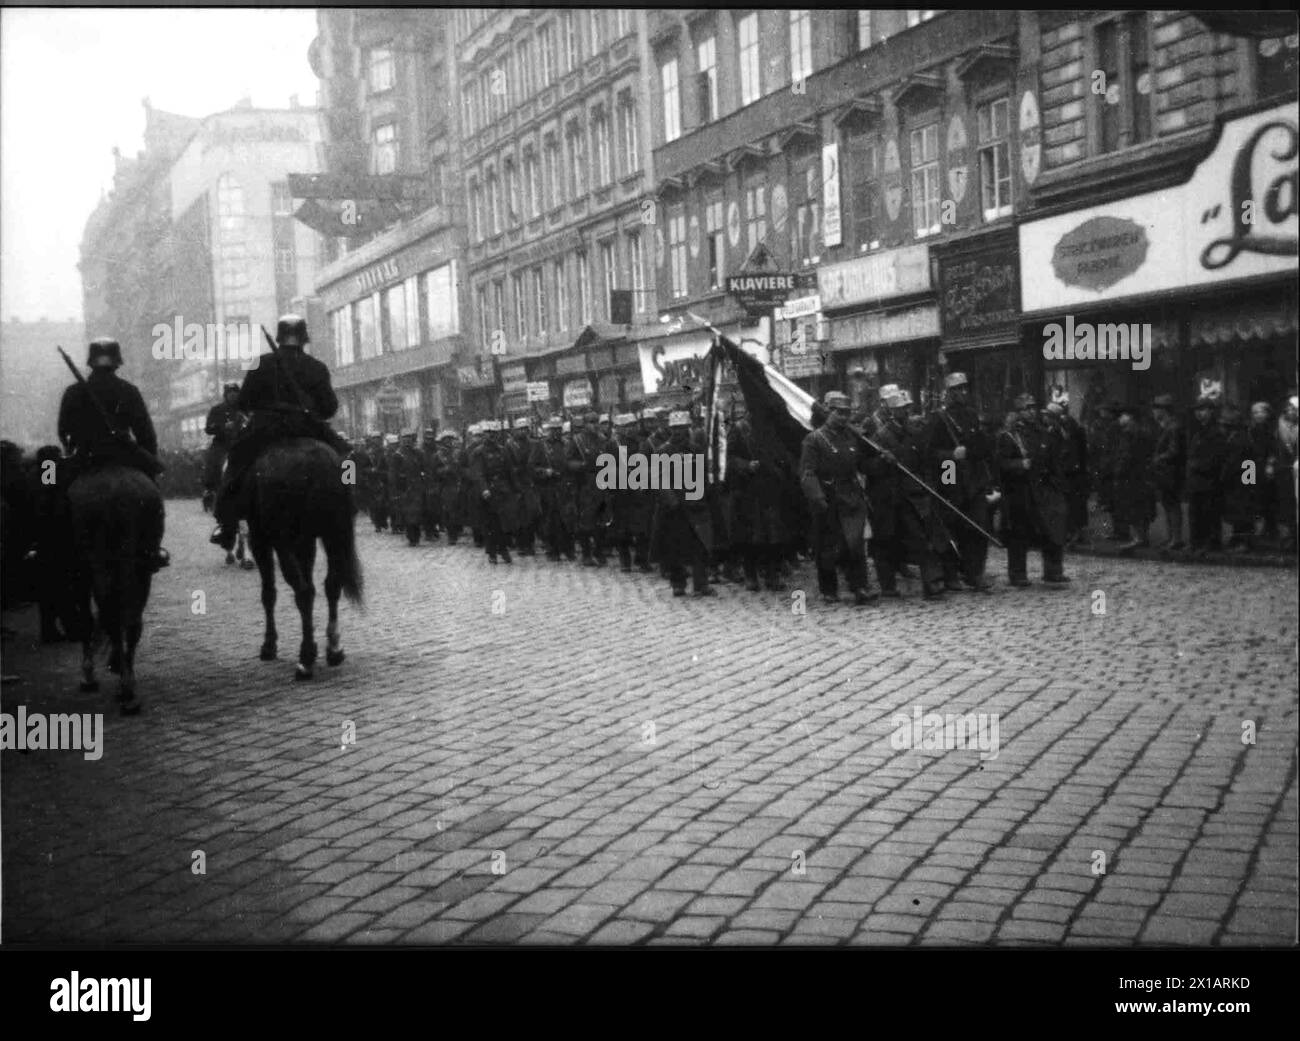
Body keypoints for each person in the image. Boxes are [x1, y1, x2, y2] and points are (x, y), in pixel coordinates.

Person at [210, 315, 348, 549]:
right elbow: (330, 407)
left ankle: (226, 521)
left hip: (267, 428)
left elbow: (244, 401)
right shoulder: (316, 367)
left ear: (279, 337)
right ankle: (347, 498)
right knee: (346, 456)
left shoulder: (260, 363)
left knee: (235, 461)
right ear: (304, 338)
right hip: (308, 427)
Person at [57, 337, 169, 571]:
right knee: (153, 500)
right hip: (125, 457)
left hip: (86, 459)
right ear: (117, 362)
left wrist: (72, 446)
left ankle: (50, 548)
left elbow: (63, 431)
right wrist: (148, 465)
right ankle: (152, 550)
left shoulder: (74, 392)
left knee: (50, 488)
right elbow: (146, 435)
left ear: (90, 362)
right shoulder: (129, 391)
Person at [799, 390, 881, 605]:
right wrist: (817, 497)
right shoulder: (815, 439)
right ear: (829, 412)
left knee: (855, 544)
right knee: (827, 546)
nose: (844, 417)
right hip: (828, 497)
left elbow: (862, 464)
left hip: (852, 496)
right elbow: (807, 473)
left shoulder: (852, 437)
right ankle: (829, 589)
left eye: (847, 413)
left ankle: (860, 587)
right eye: (839, 413)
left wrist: (882, 461)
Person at [872, 389, 949, 599]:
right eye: (901, 409)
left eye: (907, 408)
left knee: (923, 539)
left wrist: (931, 485)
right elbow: (867, 467)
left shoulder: (916, 434)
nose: (906, 412)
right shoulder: (880, 436)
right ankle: (888, 586)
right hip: (888, 497)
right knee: (886, 541)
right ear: (891, 411)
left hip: (912, 495)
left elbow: (926, 462)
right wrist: (882, 460)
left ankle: (933, 585)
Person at [927, 371, 995, 592]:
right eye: (957, 389)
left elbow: (982, 448)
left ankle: (975, 573)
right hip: (950, 473)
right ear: (948, 393)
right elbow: (930, 452)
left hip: (973, 477)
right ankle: (950, 574)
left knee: (979, 526)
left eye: (965, 388)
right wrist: (950, 455)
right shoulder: (939, 418)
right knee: (950, 525)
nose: (962, 393)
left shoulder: (973, 416)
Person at [997, 393, 1070, 586]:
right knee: (1019, 533)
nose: (1031, 412)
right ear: (1018, 412)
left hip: (1043, 488)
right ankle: (1018, 574)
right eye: (1026, 409)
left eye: (1033, 408)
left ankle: (1053, 571)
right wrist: (1019, 464)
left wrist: (1057, 482)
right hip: (1020, 489)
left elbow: (1053, 458)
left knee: (1053, 528)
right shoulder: (1009, 435)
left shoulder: (1043, 431)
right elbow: (1001, 463)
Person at [726, 401, 791, 591]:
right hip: (747, 490)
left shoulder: (770, 428)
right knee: (750, 536)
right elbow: (729, 458)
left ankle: (772, 575)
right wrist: (746, 465)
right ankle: (751, 575)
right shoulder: (739, 429)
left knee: (772, 536)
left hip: (770, 489)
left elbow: (781, 452)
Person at [656, 411, 715, 597]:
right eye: (675, 428)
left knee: (700, 544)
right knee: (674, 546)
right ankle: (678, 583)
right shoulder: (663, 451)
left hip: (695, 504)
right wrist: (672, 500)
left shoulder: (696, 450)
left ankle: (701, 583)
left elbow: (703, 475)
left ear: (688, 428)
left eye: (682, 428)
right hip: (674, 507)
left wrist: (701, 496)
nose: (678, 432)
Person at [468, 420, 519, 564]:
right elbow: (478, 473)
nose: (492, 436)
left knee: (504, 523)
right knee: (490, 524)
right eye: (489, 433)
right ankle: (492, 552)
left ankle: (503, 549)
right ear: (484, 434)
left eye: (494, 433)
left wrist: (515, 488)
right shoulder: (478, 452)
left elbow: (509, 471)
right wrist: (484, 489)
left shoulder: (503, 450)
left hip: (502, 491)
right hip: (488, 492)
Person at [609, 413, 654, 572]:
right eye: (627, 426)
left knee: (642, 527)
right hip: (621, 492)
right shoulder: (614, 445)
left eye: (633, 425)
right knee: (622, 529)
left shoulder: (642, 443)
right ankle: (625, 560)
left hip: (640, 490)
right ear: (620, 428)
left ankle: (642, 559)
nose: (631, 429)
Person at [567, 411, 612, 566]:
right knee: (586, 521)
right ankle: (586, 553)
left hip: (602, 482)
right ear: (585, 424)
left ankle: (599, 551)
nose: (594, 425)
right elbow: (568, 461)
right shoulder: (577, 441)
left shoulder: (603, 440)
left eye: (596, 422)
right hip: (584, 484)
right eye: (591, 422)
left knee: (602, 520)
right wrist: (581, 465)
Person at [1184, 393, 1226, 558]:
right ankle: (1196, 542)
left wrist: (1199, 465)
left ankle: (1211, 543)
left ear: (1211, 411)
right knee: (1196, 512)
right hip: (1196, 479)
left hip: (1209, 478)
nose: (1200, 413)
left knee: (1210, 512)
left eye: (1203, 410)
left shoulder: (1216, 431)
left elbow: (1216, 456)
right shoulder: (1197, 430)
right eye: (1198, 410)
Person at [1111, 404, 1156, 554]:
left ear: (1131, 419)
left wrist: (1120, 469)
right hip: (1133, 475)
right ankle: (1140, 537)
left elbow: (1129, 455)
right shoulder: (1130, 433)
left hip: (1135, 475)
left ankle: (1140, 537)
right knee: (1135, 507)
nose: (1121, 418)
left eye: (1124, 416)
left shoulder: (1136, 434)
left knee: (1137, 507)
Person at [532, 416, 575, 561]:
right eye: (554, 429)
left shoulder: (567, 444)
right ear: (549, 430)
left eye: (559, 429)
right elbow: (532, 467)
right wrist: (545, 472)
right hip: (548, 487)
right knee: (550, 520)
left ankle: (569, 550)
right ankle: (552, 550)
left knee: (567, 519)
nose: (556, 432)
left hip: (565, 486)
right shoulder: (541, 445)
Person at [1150, 394, 1186, 552]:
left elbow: (1174, 451)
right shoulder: (1167, 426)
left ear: (1163, 410)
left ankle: (1176, 538)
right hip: (1166, 472)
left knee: (1172, 505)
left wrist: (1157, 458)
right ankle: (1171, 537)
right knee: (1168, 504)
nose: (1153, 412)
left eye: (1156, 409)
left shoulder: (1173, 427)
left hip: (1171, 472)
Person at [203, 383, 244, 510]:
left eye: (235, 393)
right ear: (226, 395)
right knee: (214, 461)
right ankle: (210, 489)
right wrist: (222, 427)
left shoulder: (243, 409)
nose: (233, 396)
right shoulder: (216, 410)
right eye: (230, 394)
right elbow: (208, 428)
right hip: (222, 443)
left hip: (240, 442)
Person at [508, 417, 540, 555]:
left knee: (531, 515)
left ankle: (530, 543)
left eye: (525, 429)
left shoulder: (534, 444)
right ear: (515, 431)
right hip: (515, 483)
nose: (523, 431)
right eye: (520, 429)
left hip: (530, 482)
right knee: (518, 515)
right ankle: (521, 544)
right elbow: (508, 464)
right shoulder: (510, 445)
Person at [1273, 394, 1299, 552]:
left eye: (1294, 409)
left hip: (1297, 470)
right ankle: (1289, 537)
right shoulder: (1278, 427)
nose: (1291, 411)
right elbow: (1272, 448)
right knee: (1286, 504)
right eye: (1289, 408)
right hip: (1283, 470)